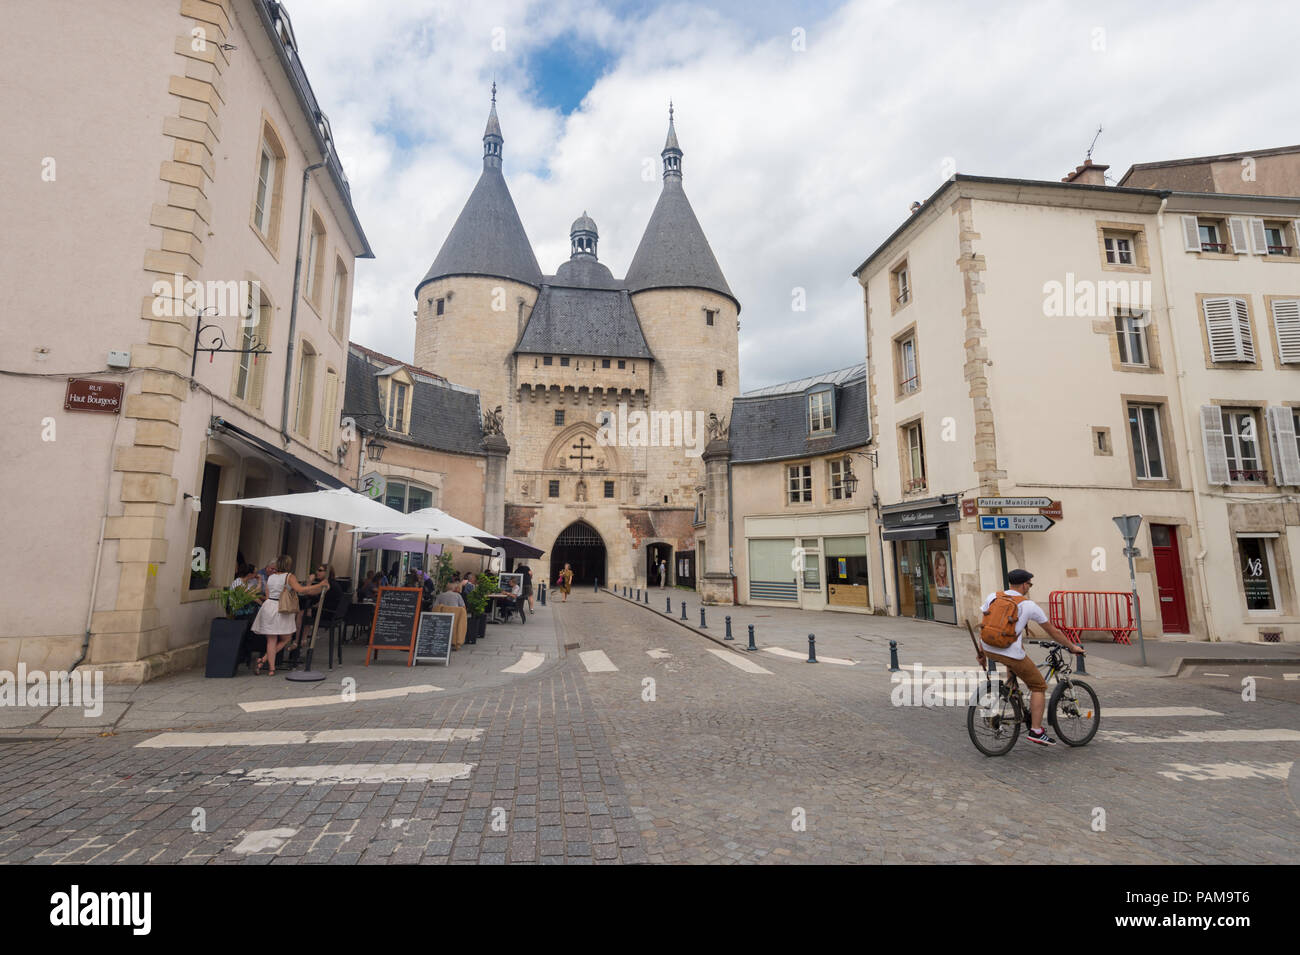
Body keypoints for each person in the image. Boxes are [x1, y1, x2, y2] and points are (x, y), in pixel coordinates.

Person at [977, 569, 1085, 746]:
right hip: (1008, 652)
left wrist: (981, 653)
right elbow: (1052, 631)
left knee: (1017, 656)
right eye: (1030, 584)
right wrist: (1072, 647)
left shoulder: (993, 597)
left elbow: (985, 626)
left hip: (990, 647)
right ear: (1024, 584)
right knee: (1038, 685)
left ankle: (1011, 688)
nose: (1029, 587)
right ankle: (1036, 730)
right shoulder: (1028, 605)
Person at [251, 555, 327, 676]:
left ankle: (270, 668)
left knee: (271, 640)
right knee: (286, 638)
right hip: (281, 609)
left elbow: (267, 594)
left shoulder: (270, 577)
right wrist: (320, 585)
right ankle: (264, 662)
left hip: (268, 606)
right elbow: (300, 589)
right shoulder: (289, 576)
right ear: (288, 565)